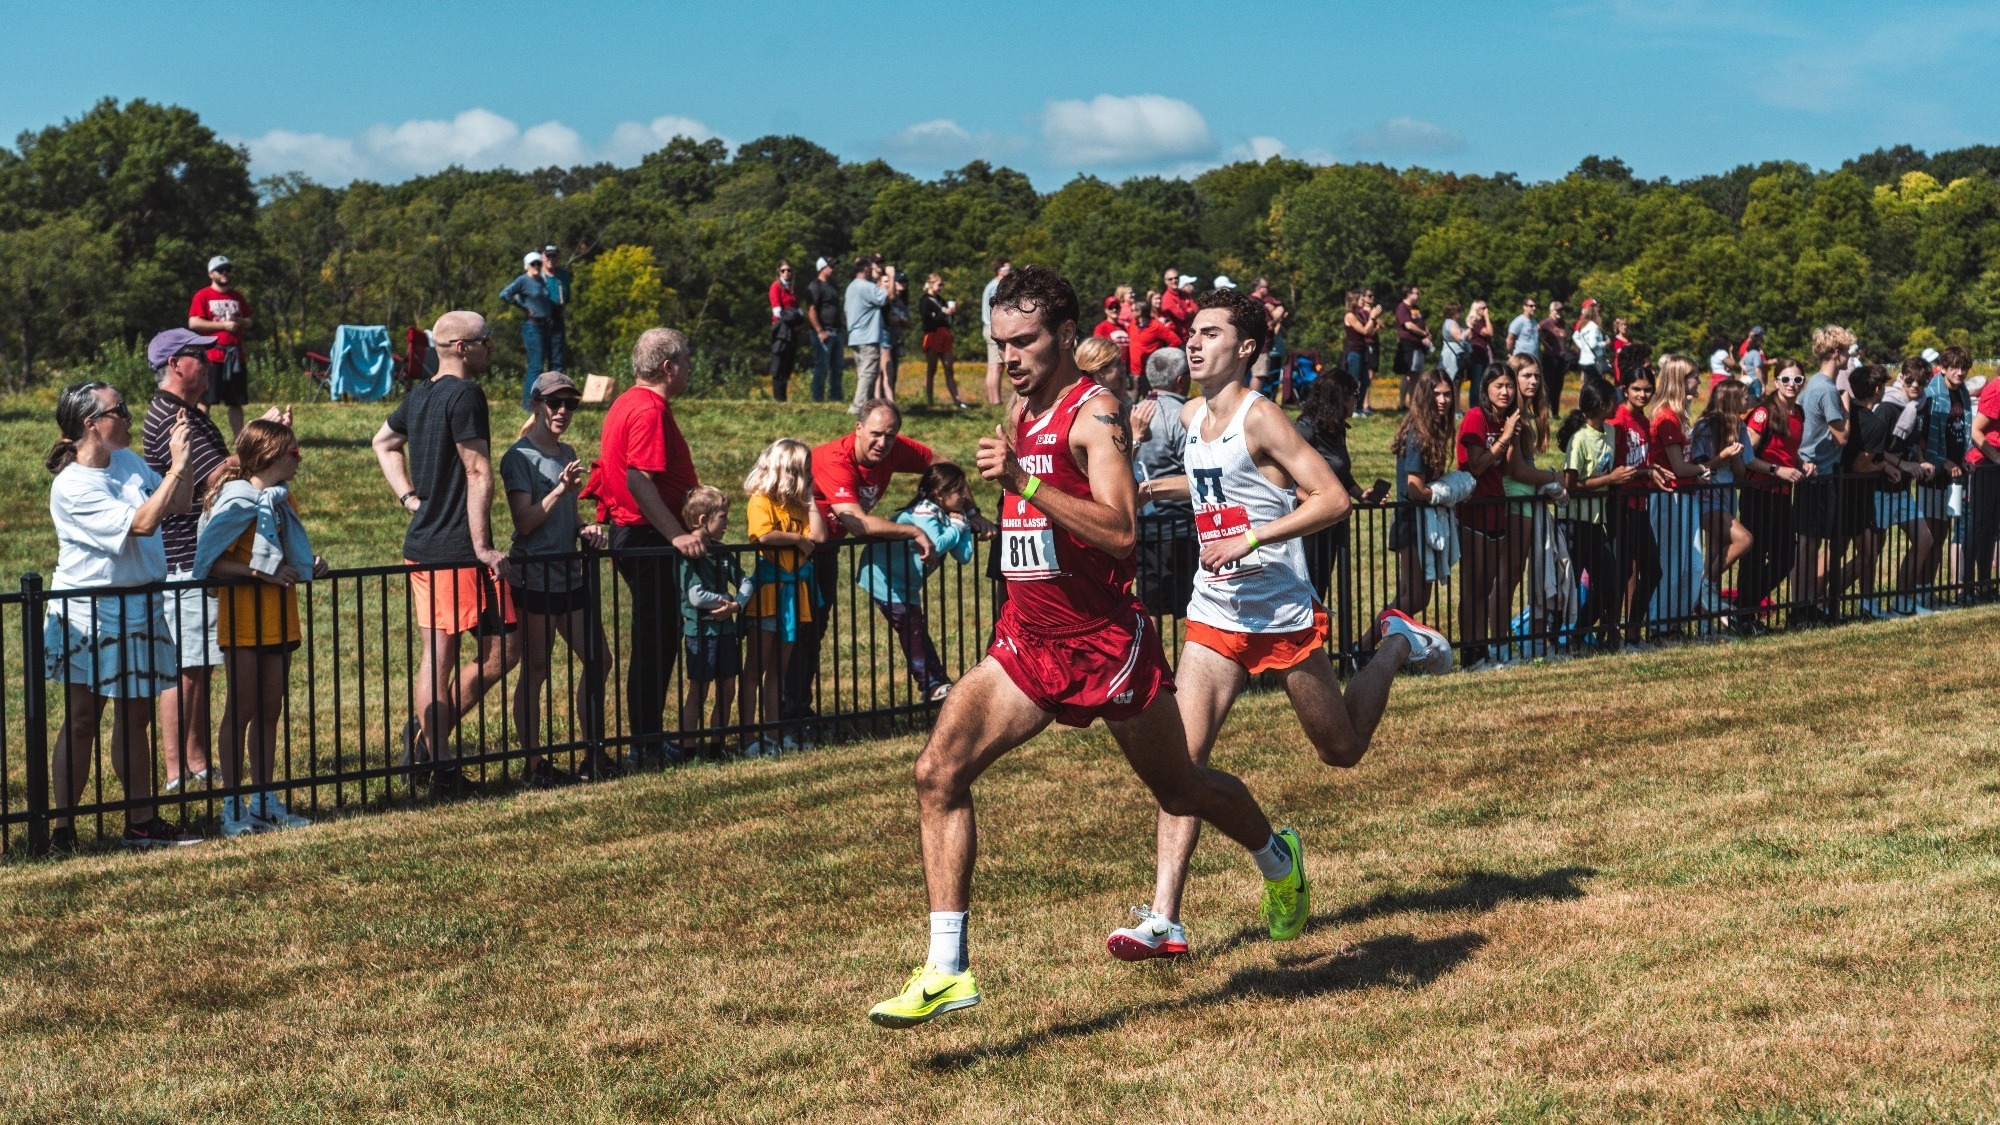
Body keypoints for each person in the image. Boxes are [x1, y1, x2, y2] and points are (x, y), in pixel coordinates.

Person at [867, 266, 1308, 1029]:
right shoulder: (1017, 405)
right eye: (1000, 341)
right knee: (936, 772)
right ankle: (947, 969)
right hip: (1027, 640)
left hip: (1104, 644)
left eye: (1025, 341)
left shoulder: (1093, 413)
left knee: (1182, 789)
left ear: (1066, 336)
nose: (1009, 355)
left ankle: (1278, 857)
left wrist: (1028, 489)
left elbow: (1123, 532)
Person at [1102, 286, 1452, 963]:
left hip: (1278, 610)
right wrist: (1151, 486)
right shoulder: (1197, 415)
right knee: (1182, 764)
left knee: (1341, 748)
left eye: (1210, 333)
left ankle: (1398, 640)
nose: (1194, 342)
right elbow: (1215, 488)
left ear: (1248, 348)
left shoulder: (1261, 418)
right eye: (1192, 333)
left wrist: (1254, 540)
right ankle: (1164, 917)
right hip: (1215, 612)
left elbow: (1332, 498)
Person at [43, 381, 200, 850]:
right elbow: (142, 523)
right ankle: (63, 830)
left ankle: (141, 823)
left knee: (136, 719)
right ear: (92, 423)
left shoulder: (129, 463)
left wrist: (184, 463)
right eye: (120, 410)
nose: (129, 416)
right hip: (87, 612)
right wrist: (172, 467)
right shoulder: (71, 486)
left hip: (139, 605)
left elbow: (179, 502)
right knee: (82, 719)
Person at [372, 310, 520, 796]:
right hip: (456, 549)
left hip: (428, 545)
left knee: (500, 651)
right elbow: (479, 472)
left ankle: (427, 742)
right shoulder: (464, 394)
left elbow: (384, 441)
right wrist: (481, 545)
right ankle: (441, 767)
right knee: (443, 657)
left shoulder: (421, 396)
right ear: (460, 346)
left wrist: (409, 499)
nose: (490, 348)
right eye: (485, 340)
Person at [191, 419, 326, 836]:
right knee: (241, 711)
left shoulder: (282, 500)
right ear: (271, 456)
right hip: (244, 622)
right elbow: (209, 563)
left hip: (280, 619)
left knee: (270, 711)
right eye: (293, 452)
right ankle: (233, 809)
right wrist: (261, 573)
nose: (298, 459)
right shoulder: (237, 502)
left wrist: (310, 564)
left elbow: (289, 553)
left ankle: (264, 800)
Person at [579, 328, 703, 769]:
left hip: (638, 532)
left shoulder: (627, 402)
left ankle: (647, 742)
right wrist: (677, 535)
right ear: (668, 367)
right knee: (655, 642)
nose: (689, 366)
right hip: (647, 536)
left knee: (656, 639)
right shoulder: (648, 409)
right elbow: (637, 479)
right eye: (686, 359)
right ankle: (646, 745)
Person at [800, 403, 971, 721]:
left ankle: (797, 713)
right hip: (797, 552)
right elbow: (856, 523)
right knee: (802, 631)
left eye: (890, 436)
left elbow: (944, 466)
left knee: (815, 628)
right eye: (876, 434)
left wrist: (971, 513)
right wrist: (913, 531)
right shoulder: (836, 460)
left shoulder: (894, 448)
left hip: (827, 549)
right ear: (858, 428)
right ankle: (790, 716)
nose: (882, 443)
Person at [502, 372, 612, 787]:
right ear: (536, 404)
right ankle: (533, 765)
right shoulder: (519, 457)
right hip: (535, 576)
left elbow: (566, 516)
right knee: (536, 669)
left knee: (600, 659)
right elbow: (525, 522)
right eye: (554, 402)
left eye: (571, 403)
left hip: (569, 572)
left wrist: (586, 529)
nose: (563, 410)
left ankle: (593, 753)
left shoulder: (567, 451)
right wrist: (560, 490)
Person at [142, 328, 236, 796]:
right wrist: (264, 441)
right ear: (176, 364)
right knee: (186, 668)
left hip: (196, 560)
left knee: (201, 666)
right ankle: (179, 772)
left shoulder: (191, 414)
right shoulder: (170, 416)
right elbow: (216, 476)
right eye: (201, 355)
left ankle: (196, 763)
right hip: (184, 562)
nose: (211, 361)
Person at [858, 463, 978, 702]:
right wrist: (957, 526)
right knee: (911, 630)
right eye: (958, 491)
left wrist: (962, 523)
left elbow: (964, 556)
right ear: (939, 494)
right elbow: (937, 544)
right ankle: (932, 685)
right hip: (884, 578)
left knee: (915, 631)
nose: (964, 496)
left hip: (906, 583)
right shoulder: (924, 513)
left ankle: (936, 684)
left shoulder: (946, 515)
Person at [741, 438, 829, 757]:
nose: (810, 475)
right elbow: (763, 535)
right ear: (788, 470)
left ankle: (773, 734)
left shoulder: (798, 505)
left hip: (794, 595)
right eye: (805, 470)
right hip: (769, 594)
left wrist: (809, 503)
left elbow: (818, 537)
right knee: (755, 667)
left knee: (779, 669)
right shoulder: (761, 500)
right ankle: (749, 735)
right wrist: (797, 540)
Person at [1557, 381, 1640, 649]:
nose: (1617, 404)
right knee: (1564, 590)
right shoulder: (1579, 438)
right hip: (1574, 524)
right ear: (1603, 405)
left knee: (1610, 587)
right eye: (1613, 400)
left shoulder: (1609, 431)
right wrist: (1610, 478)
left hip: (1596, 524)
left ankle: (1577, 638)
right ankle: (1550, 643)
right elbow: (1570, 485)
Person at [676, 486, 752, 759]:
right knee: (699, 689)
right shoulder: (688, 553)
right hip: (701, 632)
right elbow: (696, 596)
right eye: (722, 516)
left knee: (727, 688)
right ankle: (687, 749)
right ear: (702, 521)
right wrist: (726, 598)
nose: (727, 523)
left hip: (726, 631)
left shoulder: (721, 551)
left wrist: (737, 605)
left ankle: (716, 747)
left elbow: (746, 580)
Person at [1457, 365, 1523, 669]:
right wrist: (1504, 436)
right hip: (1474, 509)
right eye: (1499, 385)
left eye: (1510, 386)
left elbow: (1507, 469)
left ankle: (1484, 651)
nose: (1506, 392)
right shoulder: (1476, 418)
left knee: (1487, 585)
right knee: (1474, 585)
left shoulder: (1504, 420)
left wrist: (1511, 437)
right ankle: (1472, 654)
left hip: (1497, 506)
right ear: (1486, 389)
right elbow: (1477, 465)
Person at [1735, 359, 1808, 628]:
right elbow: (1746, 456)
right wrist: (1778, 470)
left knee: (1785, 556)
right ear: (1776, 382)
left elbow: (1788, 451)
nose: (1792, 385)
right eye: (1786, 380)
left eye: (1797, 380)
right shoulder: (1763, 413)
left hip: (1781, 492)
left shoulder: (1798, 413)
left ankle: (1745, 605)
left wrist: (1801, 464)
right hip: (1759, 492)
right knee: (1754, 555)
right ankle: (1744, 614)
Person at [1292, 372, 1378, 604]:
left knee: (1319, 590)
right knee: (1305, 591)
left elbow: (1339, 473)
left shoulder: (1336, 429)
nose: (1356, 400)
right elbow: (1280, 475)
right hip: (1308, 528)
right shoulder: (1306, 431)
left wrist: (1360, 494)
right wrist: (1310, 499)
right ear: (1339, 397)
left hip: (1329, 523)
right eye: (1354, 394)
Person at [1386, 369, 1460, 634]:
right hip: (1411, 521)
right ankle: (1365, 647)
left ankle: (1380, 649)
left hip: (1418, 521)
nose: (1442, 400)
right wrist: (1444, 493)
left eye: (1447, 394)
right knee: (1413, 596)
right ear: (1425, 396)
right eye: (1436, 394)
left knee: (1414, 596)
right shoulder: (1418, 434)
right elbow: (1415, 487)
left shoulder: (1433, 429)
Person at [1792, 325, 1855, 624]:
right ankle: (1803, 607)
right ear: (1835, 352)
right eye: (1847, 351)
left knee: (1808, 542)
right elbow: (1842, 438)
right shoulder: (1828, 390)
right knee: (1809, 543)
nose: (1849, 358)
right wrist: (1846, 408)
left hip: (1811, 471)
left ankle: (1804, 605)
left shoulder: (1813, 385)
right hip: (1819, 474)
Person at [1646, 354, 1711, 633]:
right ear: (1680, 381)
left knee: (1692, 565)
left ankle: (1676, 621)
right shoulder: (1666, 417)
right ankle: (1661, 625)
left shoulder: (1679, 415)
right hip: (1668, 498)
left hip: (1684, 496)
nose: (1699, 380)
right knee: (1671, 566)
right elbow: (1677, 466)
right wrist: (1701, 469)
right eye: (1694, 376)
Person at [1131, 346, 1196, 620]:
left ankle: (1153, 663)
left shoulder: (1132, 412)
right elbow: (1195, 470)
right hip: (1181, 527)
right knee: (1197, 609)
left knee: (1151, 606)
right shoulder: (1184, 416)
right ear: (1182, 380)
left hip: (1144, 526)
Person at [1687, 380, 1754, 620]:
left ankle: (1707, 609)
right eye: (1746, 396)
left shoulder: (1740, 426)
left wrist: (1734, 456)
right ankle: (1704, 588)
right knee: (1744, 540)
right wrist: (1722, 455)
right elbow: (1700, 467)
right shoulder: (1704, 427)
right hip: (1707, 497)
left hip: (1727, 496)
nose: (1750, 399)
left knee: (1715, 553)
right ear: (1732, 399)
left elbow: (1741, 472)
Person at [1881, 358, 1942, 613]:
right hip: (1879, 488)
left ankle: (1904, 601)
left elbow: (1917, 442)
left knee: (1925, 540)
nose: (1915, 385)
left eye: (1921, 381)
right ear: (1901, 377)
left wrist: (1920, 461)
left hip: (1903, 488)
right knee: (1871, 553)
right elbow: (1875, 450)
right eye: (1910, 380)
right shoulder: (1887, 406)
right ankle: (1860, 604)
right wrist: (1903, 466)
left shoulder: (1921, 405)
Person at [1608, 369, 1664, 648]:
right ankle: (1611, 635)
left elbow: (1640, 463)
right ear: (1624, 389)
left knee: (1653, 570)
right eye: (1636, 389)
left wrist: (1649, 470)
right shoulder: (1618, 421)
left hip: (1640, 504)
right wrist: (1645, 473)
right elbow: (1616, 467)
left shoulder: (1643, 420)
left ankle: (1632, 631)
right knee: (1619, 575)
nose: (1643, 395)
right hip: (1621, 505)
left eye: (1647, 390)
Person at [1833, 366, 1893, 618]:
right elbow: (1861, 464)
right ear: (1877, 389)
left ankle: (1819, 600)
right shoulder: (1875, 423)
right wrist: (1882, 468)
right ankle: (1830, 596)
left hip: (1837, 489)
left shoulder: (1846, 416)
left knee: (1834, 552)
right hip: (1857, 495)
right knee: (1868, 554)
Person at [1923, 348, 1971, 603]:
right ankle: (1920, 590)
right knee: (1929, 536)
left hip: (1956, 477)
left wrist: (1965, 460)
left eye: (1964, 367)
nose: (1960, 372)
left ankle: (1930, 591)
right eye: (1954, 367)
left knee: (1944, 534)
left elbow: (1962, 431)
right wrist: (1942, 461)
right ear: (1942, 367)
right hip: (1934, 476)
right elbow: (1922, 439)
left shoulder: (1961, 393)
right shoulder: (1931, 393)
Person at [187, 255, 253, 438]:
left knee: (236, 401)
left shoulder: (237, 296)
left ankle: (240, 440)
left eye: (228, 269)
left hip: (235, 357)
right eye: (220, 270)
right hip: (212, 356)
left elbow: (249, 320)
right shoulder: (203, 295)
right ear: (211, 274)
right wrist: (223, 326)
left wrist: (241, 322)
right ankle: (200, 439)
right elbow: (193, 322)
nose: (225, 273)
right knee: (205, 400)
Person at [499, 252, 556, 411]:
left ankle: (537, 401)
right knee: (535, 366)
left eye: (539, 263)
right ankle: (528, 403)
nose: (537, 266)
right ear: (527, 266)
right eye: (533, 264)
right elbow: (504, 294)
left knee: (540, 365)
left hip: (545, 325)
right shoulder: (523, 280)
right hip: (533, 327)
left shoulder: (541, 281)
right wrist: (523, 307)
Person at [846, 258, 895, 412]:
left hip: (854, 336)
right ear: (866, 269)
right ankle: (858, 406)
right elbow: (889, 297)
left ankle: (865, 407)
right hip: (867, 336)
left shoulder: (851, 287)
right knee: (868, 373)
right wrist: (892, 276)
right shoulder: (866, 286)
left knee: (863, 372)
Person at [919, 274, 967, 408]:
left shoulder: (940, 299)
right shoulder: (925, 301)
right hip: (932, 334)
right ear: (931, 284)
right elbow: (927, 319)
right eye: (939, 285)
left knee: (949, 368)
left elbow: (947, 318)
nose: (941, 288)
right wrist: (944, 313)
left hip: (944, 334)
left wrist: (951, 312)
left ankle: (957, 400)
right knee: (931, 369)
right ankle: (930, 401)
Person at [806, 257, 846, 403]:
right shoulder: (815, 286)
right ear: (822, 268)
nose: (834, 269)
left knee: (837, 367)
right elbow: (811, 309)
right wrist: (819, 330)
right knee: (821, 365)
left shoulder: (833, 286)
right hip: (824, 332)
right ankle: (818, 397)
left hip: (836, 331)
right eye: (831, 266)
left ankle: (835, 397)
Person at [1342, 290, 1385, 416]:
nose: (1363, 301)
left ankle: (1359, 408)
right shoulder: (1350, 316)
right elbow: (1365, 331)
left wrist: (1374, 321)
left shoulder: (1358, 315)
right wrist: (1372, 317)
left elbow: (1369, 332)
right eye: (1361, 298)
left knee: (1365, 380)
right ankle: (1351, 408)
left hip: (1362, 350)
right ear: (1354, 300)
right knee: (1354, 381)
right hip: (1354, 352)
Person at [768, 260, 804, 402]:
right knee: (779, 363)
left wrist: (796, 318)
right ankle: (778, 397)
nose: (786, 273)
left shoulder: (791, 289)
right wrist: (793, 315)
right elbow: (777, 311)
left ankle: (784, 397)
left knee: (788, 363)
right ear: (778, 272)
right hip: (781, 331)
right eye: (783, 270)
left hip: (792, 330)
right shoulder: (776, 287)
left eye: (789, 270)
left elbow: (800, 311)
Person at [1392, 285, 1431, 412]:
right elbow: (1409, 325)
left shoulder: (1416, 308)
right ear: (1408, 294)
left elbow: (1421, 323)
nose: (1418, 295)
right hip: (1408, 344)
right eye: (1416, 293)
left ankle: (1413, 404)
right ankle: (1402, 404)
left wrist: (1427, 334)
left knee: (1416, 375)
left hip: (1418, 344)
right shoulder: (1402, 308)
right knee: (1408, 374)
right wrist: (1423, 334)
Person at [981, 258, 1011, 405]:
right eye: (1007, 269)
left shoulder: (994, 285)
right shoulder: (996, 286)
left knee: (997, 367)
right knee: (995, 367)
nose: (1010, 271)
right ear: (999, 271)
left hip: (991, 328)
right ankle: (995, 401)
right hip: (992, 328)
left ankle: (995, 400)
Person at [541, 244, 572, 372]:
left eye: (553, 256)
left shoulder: (563, 276)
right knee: (538, 361)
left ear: (557, 256)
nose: (550, 259)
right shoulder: (537, 274)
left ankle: (555, 390)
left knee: (557, 360)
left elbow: (567, 296)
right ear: (542, 256)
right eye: (548, 255)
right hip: (540, 321)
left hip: (558, 319)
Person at [1538, 299, 1571, 410]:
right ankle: (1545, 409)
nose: (1559, 313)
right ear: (1551, 311)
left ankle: (1555, 412)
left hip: (1561, 357)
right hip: (1550, 357)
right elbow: (1536, 331)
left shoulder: (1562, 323)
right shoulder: (1546, 322)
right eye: (1556, 310)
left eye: (1560, 310)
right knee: (1549, 385)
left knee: (1558, 386)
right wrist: (1545, 344)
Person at [883, 274, 911, 400]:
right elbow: (887, 318)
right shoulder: (888, 299)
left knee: (893, 373)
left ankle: (889, 399)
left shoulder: (903, 302)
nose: (903, 284)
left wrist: (902, 321)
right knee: (885, 372)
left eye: (905, 282)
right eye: (900, 281)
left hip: (896, 340)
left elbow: (909, 322)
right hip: (885, 339)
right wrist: (898, 320)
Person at [1573, 300, 1609, 395]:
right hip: (1592, 360)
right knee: (1592, 385)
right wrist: (1604, 343)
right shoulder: (1586, 323)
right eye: (1593, 306)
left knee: (1590, 384)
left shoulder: (1586, 322)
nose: (1597, 308)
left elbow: (1576, 337)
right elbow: (1591, 343)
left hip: (1588, 359)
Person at [1464, 298, 1495, 407]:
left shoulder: (1483, 322)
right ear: (1477, 310)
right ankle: (1473, 407)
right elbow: (1489, 333)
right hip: (1476, 356)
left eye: (1486, 307)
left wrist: (1486, 318)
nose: (1486, 310)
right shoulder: (1475, 322)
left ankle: (1483, 406)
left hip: (1485, 356)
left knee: (1485, 383)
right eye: (1483, 308)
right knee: (1476, 384)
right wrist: (1487, 317)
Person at [1158, 266, 1197, 335]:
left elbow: (1195, 309)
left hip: (1191, 333)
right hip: (1179, 337)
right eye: (1170, 279)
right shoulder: (1166, 298)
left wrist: (1187, 311)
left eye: (1176, 278)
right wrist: (1189, 310)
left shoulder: (1185, 294)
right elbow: (1181, 316)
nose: (1174, 280)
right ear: (1166, 281)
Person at [1439, 301, 1467, 387]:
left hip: (1455, 355)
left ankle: (1455, 400)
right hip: (1452, 357)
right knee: (1452, 381)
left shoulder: (1451, 323)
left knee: (1456, 382)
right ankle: (1453, 400)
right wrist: (1470, 328)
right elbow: (1460, 337)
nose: (1461, 313)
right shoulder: (1451, 323)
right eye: (1459, 311)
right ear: (1454, 312)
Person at [1506, 297, 1541, 362]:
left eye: (1535, 306)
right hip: (1521, 360)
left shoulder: (1535, 322)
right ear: (1524, 307)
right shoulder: (1518, 322)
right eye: (1531, 306)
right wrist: (1510, 354)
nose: (1534, 308)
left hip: (1534, 359)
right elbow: (1509, 339)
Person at [1739, 327, 1767, 395]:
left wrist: (1745, 367)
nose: (1762, 342)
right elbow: (1757, 369)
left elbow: (1741, 361)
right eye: (1761, 340)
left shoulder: (1748, 353)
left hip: (1748, 380)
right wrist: (1763, 385)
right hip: (1755, 381)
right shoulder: (1756, 353)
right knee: (1757, 402)